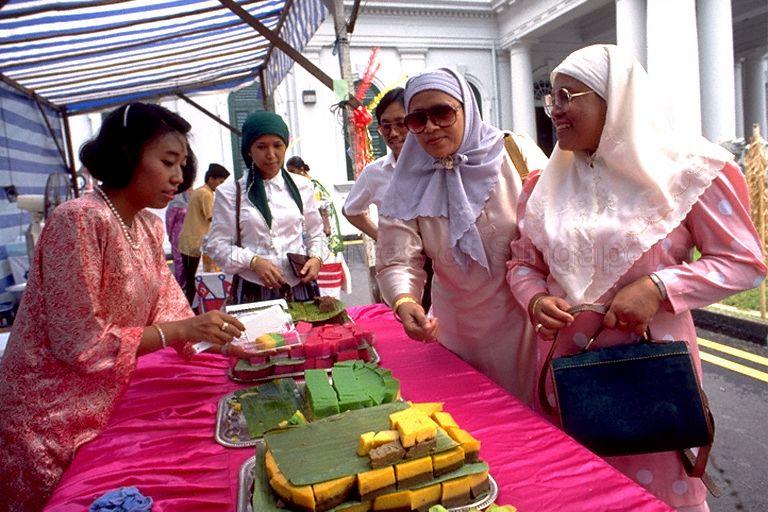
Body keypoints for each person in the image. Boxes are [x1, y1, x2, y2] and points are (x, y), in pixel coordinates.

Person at [507, 45, 767, 511]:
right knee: (574, 487)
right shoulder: (542, 185)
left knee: (654, 495)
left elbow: (744, 263)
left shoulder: (687, 173)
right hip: (563, 371)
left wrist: (660, 288)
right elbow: (523, 263)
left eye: (569, 97)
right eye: (553, 100)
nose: (556, 111)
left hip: (650, 376)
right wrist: (533, 299)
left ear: (616, 99)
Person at [0, 102, 247, 512]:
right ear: (126, 155)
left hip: (101, 402)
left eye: (183, 164)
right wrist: (184, 332)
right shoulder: (78, 220)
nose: (179, 176)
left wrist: (220, 339)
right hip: (46, 420)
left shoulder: (147, 226)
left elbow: (170, 308)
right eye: (168, 161)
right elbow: (80, 343)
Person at [376, 69, 548, 403]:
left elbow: (557, 223)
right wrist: (405, 300)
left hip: (527, 322)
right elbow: (397, 256)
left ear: (466, 109)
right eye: (417, 119)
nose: (430, 127)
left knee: (535, 424)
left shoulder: (514, 152)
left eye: (442, 113)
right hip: (456, 331)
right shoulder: (409, 177)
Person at [204, 111, 325, 304]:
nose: (271, 155)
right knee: (261, 336)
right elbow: (217, 245)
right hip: (254, 291)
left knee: (307, 334)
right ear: (249, 150)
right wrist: (253, 261)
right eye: (261, 147)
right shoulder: (230, 193)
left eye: (277, 145)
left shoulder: (302, 186)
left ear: (286, 146)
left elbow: (315, 232)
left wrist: (316, 258)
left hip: (300, 288)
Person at [343, 87, 407, 241]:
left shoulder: (438, 165)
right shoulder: (375, 172)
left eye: (400, 124)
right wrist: (383, 238)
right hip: (398, 262)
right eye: (386, 127)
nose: (393, 133)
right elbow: (350, 210)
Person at [286, 156, 351, 299]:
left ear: (302, 170)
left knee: (327, 290)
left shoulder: (312, 187)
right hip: (307, 242)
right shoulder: (293, 187)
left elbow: (323, 214)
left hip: (322, 241)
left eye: (292, 171)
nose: (290, 175)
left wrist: (324, 234)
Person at [178, 163, 230, 305]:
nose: (221, 186)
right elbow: (213, 218)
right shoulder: (206, 194)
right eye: (220, 182)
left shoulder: (200, 191)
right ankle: (192, 311)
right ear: (211, 179)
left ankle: (191, 309)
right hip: (194, 244)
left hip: (188, 243)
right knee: (194, 283)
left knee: (191, 282)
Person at [165, 189, 189, 288]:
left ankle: (188, 285)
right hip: (178, 236)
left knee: (189, 261)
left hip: (189, 236)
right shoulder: (173, 206)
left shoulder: (189, 203)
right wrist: (171, 236)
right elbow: (169, 223)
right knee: (179, 261)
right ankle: (180, 286)